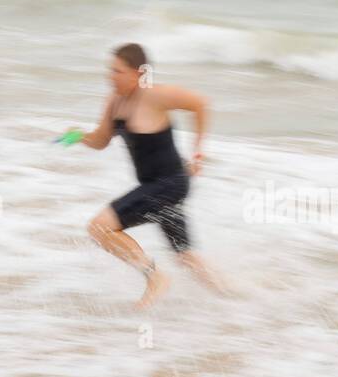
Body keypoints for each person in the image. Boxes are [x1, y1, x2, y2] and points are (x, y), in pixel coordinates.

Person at [63, 43, 221, 308]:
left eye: (118, 71)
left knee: (100, 227)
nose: (110, 76)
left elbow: (200, 104)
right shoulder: (114, 102)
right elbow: (101, 140)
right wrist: (80, 137)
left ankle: (154, 276)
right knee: (187, 257)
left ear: (138, 73)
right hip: (154, 187)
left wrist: (198, 153)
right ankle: (235, 297)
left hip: (170, 184)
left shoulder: (155, 96)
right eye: (110, 70)